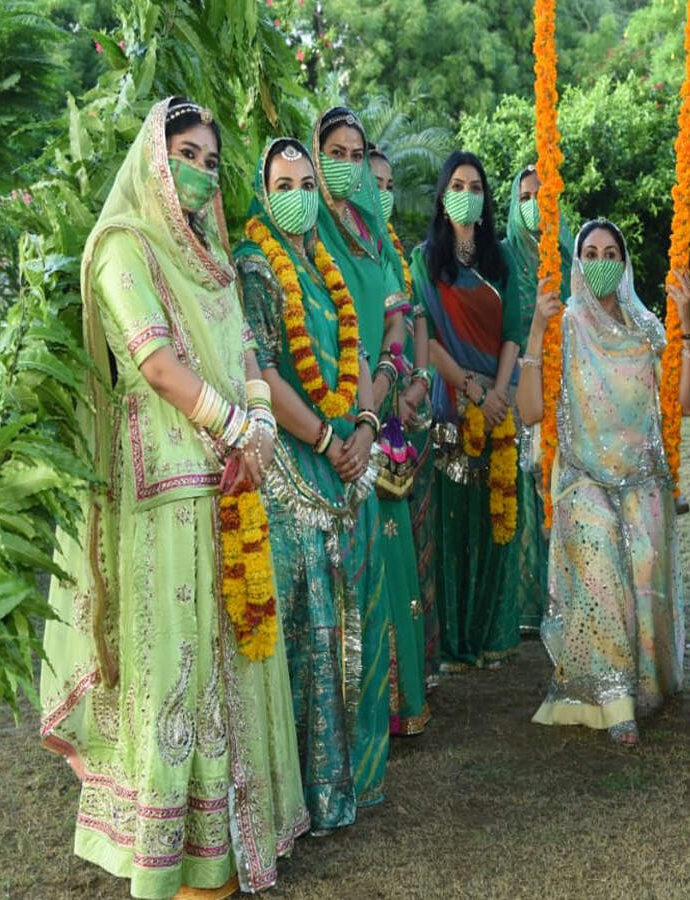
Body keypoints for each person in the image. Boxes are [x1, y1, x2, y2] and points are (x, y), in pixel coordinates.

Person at [39, 98, 307, 899]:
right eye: (185, 153)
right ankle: (164, 868)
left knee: (226, 674)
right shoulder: (123, 248)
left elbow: (247, 352)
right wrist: (235, 428)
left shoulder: (213, 261)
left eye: (210, 161)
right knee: (177, 680)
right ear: (154, 160)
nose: (198, 171)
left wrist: (259, 428)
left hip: (227, 482)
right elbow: (156, 363)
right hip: (165, 494)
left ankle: (214, 858)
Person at [236, 138, 389, 832]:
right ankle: (296, 798)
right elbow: (263, 373)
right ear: (265, 193)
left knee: (342, 629)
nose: (299, 192)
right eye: (285, 182)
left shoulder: (322, 266)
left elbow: (354, 349)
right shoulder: (257, 269)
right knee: (306, 632)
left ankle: (338, 789)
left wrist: (361, 425)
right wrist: (327, 439)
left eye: (306, 180)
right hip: (292, 477)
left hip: (341, 460)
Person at [516, 219, 690, 746]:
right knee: (597, 543)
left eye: (610, 252)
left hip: (641, 478)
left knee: (641, 552)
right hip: (581, 476)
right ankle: (612, 696)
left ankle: (643, 684)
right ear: (576, 265)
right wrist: (534, 330)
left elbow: (683, 405)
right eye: (589, 253)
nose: (600, 262)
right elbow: (529, 411)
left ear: (624, 264)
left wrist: (684, 325)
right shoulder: (563, 325)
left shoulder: (645, 329)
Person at [310, 108, 429, 740]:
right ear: (316, 150)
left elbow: (395, 319)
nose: (348, 163)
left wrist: (384, 383)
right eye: (336, 150)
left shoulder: (371, 232)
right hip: (328, 409)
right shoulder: (309, 229)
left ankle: (388, 711)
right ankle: (345, 729)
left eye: (356, 153)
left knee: (380, 560)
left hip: (372, 407)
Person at [409, 151, 523, 670]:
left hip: (499, 407)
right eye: (458, 184)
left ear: (485, 199)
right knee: (454, 524)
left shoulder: (503, 262)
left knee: (495, 519)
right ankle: (453, 644)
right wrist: (471, 390)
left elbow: (514, 334)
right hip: (450, 405)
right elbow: (425, 339)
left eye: (476, 186)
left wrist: (499, 392)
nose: (467, 194)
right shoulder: (424, 261)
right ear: (442, 194)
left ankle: (489, 635)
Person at [368, 144, 441, 694]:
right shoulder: (331, 247)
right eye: (373, 180)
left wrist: (417, 381)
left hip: (400, 415)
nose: (383, 192)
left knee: (403, 550)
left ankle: (408, 690)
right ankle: (384, 695)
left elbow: (413, 320)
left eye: (389, 183)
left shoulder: (390, 251)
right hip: (360, 413)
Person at [500, 164, 572, 634]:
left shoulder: (570, 258)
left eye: (542, 197)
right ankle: (524, 607)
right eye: (525, 196)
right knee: (522, 500)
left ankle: (561, 600)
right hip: (514, 391)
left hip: (565, 396)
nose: (533, 205)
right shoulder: (503, 259)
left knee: (557, 494)